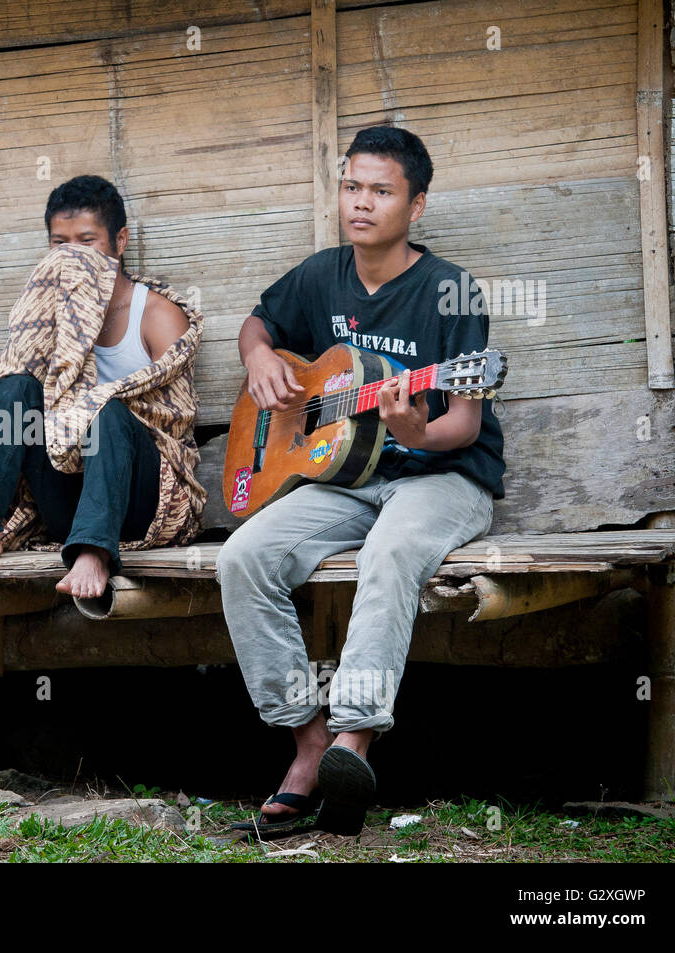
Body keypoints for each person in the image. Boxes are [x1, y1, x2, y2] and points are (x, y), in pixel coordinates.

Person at [217, 126, 505, 838]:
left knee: (389, 554)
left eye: (381, 191)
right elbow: (259, 324)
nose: (362, 203)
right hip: (348, 477)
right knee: (242, 557)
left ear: (417, 205)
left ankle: (353, 740)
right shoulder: (321, 275)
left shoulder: (449, 289)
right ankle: (307, 740)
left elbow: (463, 422)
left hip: (441, 475)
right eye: (352, 187)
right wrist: (259, 359)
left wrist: (416, 431)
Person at [0, 175, 205, 597]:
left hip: (146, 501)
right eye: (61, 245)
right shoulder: (51, 316)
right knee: (18, 385)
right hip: (68, 502)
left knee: (106, 408)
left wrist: (87, 404)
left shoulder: (155, 314)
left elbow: (174, 420)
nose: (73, 257)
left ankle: (94, 554)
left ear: (120, 241)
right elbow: (25, 393)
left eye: (87, 241)